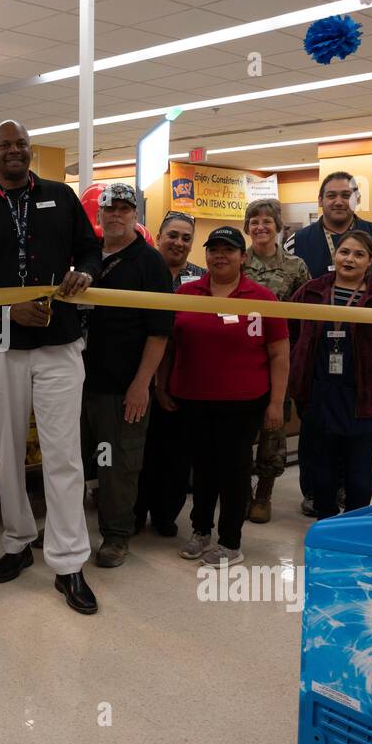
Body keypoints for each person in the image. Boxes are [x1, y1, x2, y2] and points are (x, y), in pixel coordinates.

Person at [0, 120, 102, 614]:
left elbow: (90, 250)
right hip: (0, 342)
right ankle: (17, 541)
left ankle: (68, 562)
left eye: (21, 145)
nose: (14, 151)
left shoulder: (61, 197)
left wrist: (86, 272)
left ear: (30, 152)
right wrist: (6, 311)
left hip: (59, 342)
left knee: (64, 456)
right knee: (9, 450)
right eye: (5, 146)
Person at [156, 226, 288, 567]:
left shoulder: (262, 299)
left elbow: (278, 354)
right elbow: (168, 344)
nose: (220, 255)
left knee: (234, 470)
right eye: (214, 249)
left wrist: (276, 403)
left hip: (243, 402)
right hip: (193, 398)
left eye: (228, 249)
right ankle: (201, 530)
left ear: (243, 257)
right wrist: (161, 384)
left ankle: (231, 541)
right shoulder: (187, 293)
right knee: (202, 469)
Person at [284, 171, 372, 516]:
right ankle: (321, 511)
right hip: (319, 385)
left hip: (366, 388)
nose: (349, 259)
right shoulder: (306, 271)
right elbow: (291, 325)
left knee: (358, 461)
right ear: (321, 200)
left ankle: (355, 520)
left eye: (345, 194)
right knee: (318, 455)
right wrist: (297, 367)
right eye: (331, 194)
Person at [80, 184, 173, 568]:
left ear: (135, 214)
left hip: (122, 388)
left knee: (118, 465)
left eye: (123, 209)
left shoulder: (149, 263)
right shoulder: (87, 257)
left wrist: (141, 385)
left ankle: (116, 536)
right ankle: (64, 528)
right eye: (108, 209)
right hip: (76, 382)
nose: (115, 215)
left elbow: (159, 331)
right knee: (75, 461)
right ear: (98, 215)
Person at [134, 212, 204, 539]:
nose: (178, 242)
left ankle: (165, 514)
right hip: (140, 379)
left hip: (185, 382)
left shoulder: (203, 280)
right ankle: (134, 514)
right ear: (159, 236)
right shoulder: (141, 271)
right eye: (172, 235)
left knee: (177, 456)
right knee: (139, 453)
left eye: (186, 238)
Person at [242, 198, 310, 523]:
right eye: (254, 221)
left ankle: (263, 494)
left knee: (273, 428)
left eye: (267, 221)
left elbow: (304, 317)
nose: (261, 227)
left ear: (278, 227)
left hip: (278, 360)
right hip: (238, 358)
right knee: (237, 429)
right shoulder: (236, 261)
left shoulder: (295, 267)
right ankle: (240, 489)